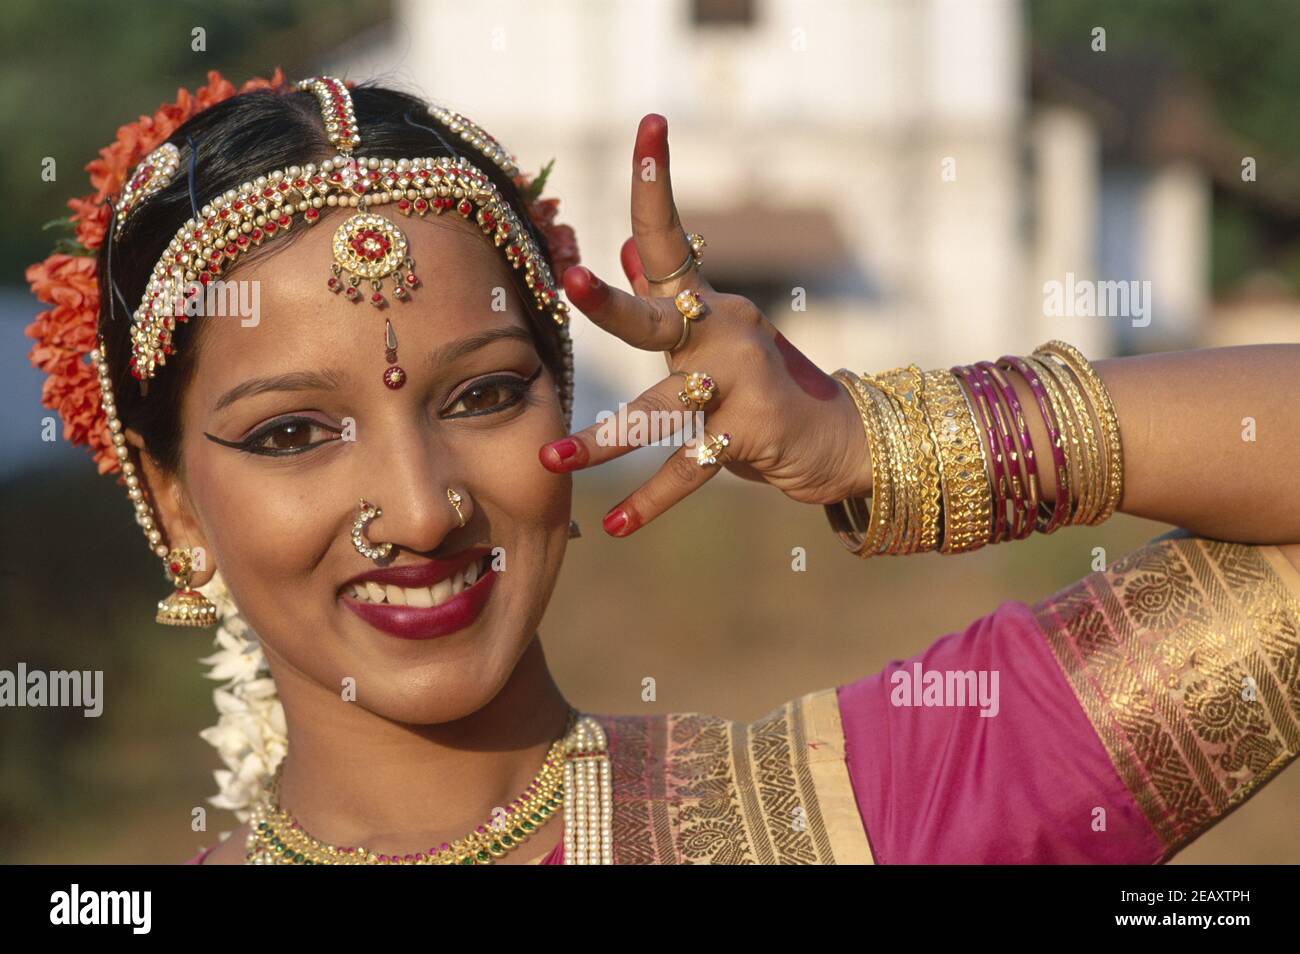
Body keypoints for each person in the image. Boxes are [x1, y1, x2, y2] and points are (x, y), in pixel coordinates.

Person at [26, 71, 1300, 865]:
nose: (420, 511)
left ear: (566, 413)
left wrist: (875, 439)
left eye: (484, 396)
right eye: (295, 433)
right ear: (177, 502)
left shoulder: (862, 817)